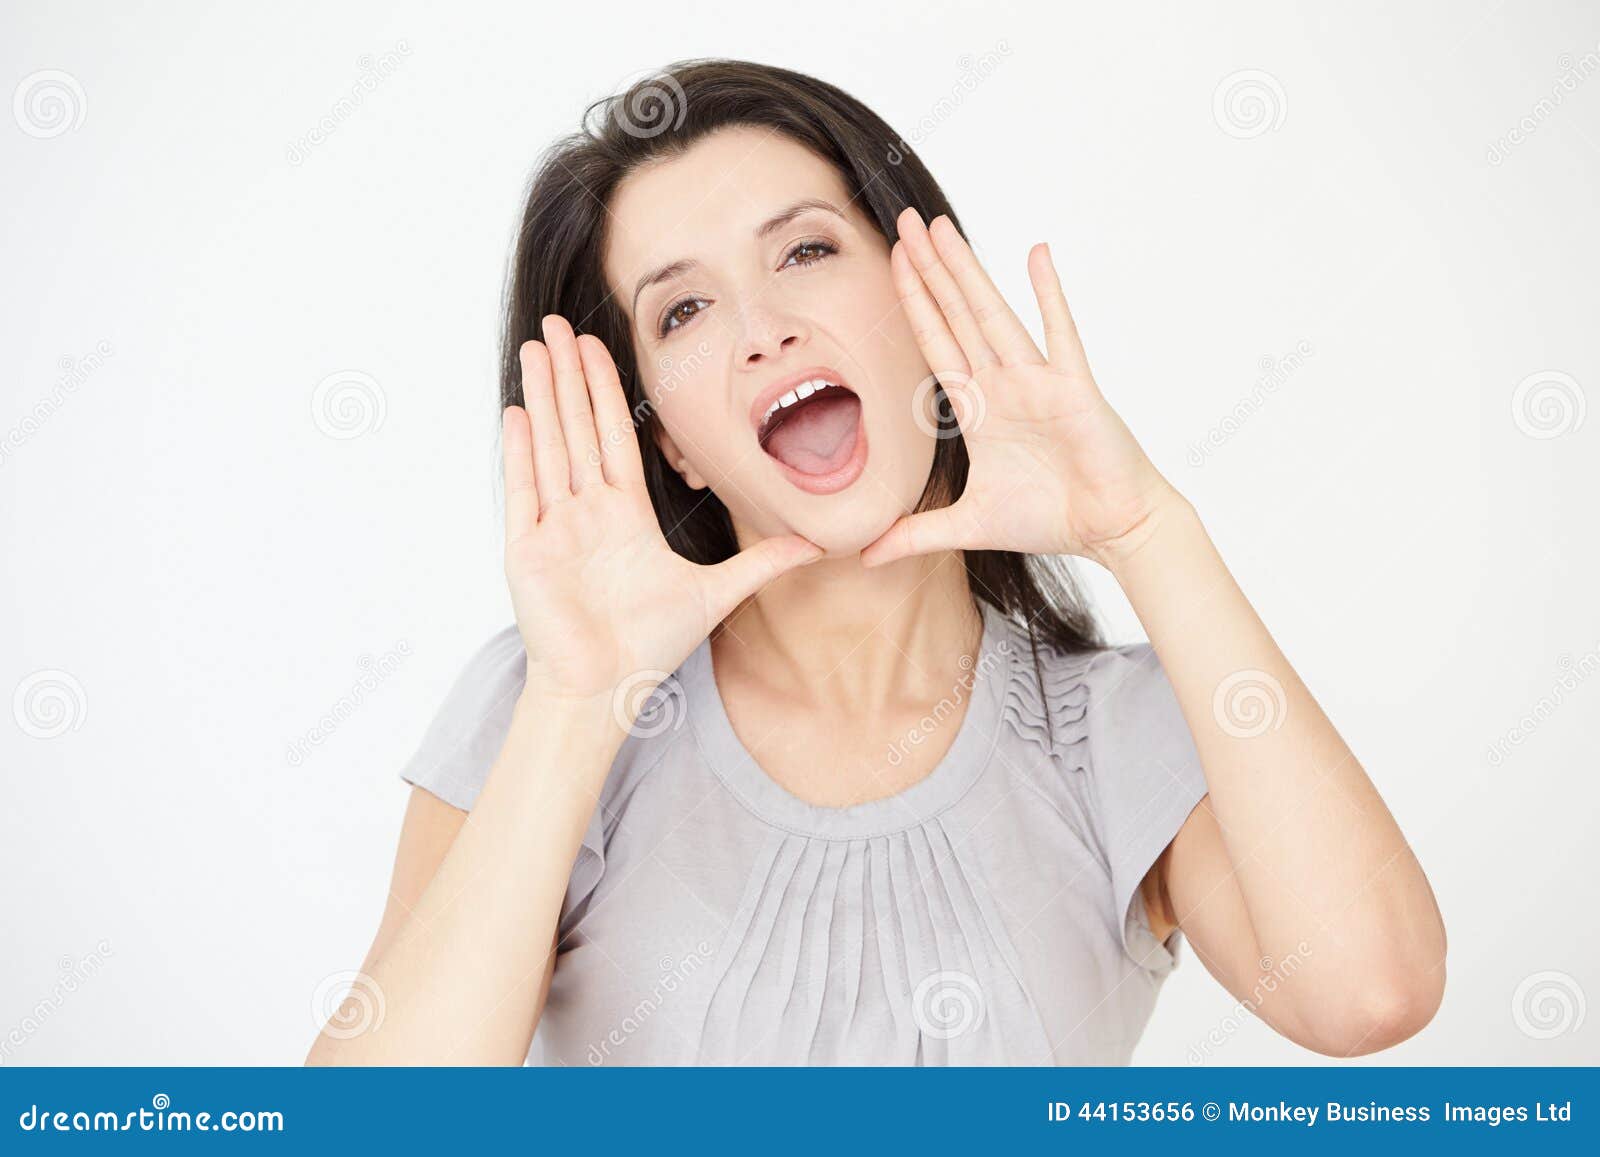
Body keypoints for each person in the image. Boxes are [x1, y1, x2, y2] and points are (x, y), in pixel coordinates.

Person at [306, 59, 1445, 1066]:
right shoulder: (550, 710)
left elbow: (1370, 994)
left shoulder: (1115, 734)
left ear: (920, 308)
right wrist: (573, 704)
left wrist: (1145, 531)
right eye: (685, 308)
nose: (762, 329)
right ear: (669, 441)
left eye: (805, 249)